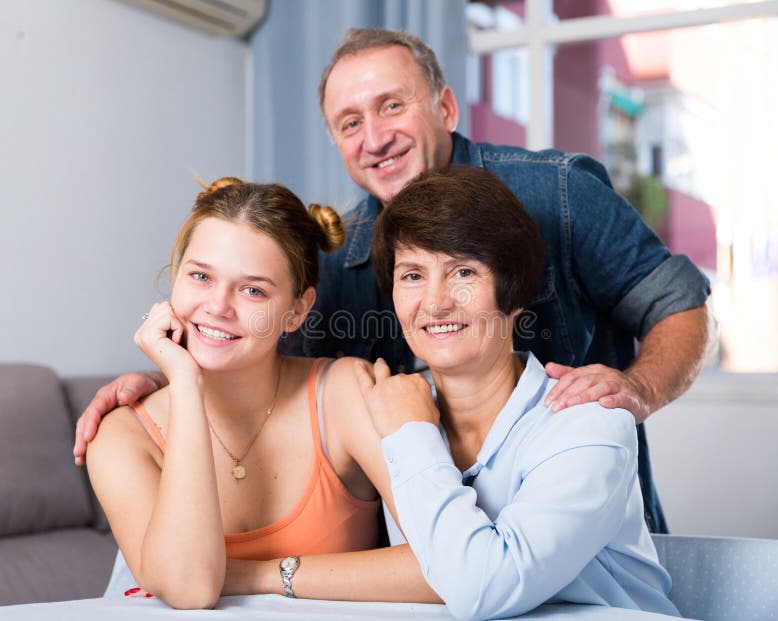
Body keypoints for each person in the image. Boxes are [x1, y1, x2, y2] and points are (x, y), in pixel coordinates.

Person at [74, 28, 713, 533]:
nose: (375, 137)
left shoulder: (559, 193)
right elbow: (268, 370)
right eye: (350, 122)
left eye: (391, 106)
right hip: (422, 536)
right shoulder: (336, 258)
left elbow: (678, 304)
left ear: (445, 107)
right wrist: (170, 377)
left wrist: (636, 388)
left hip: (576, 526)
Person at [243, 166, 680, 619]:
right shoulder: (393, 403)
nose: (434, 302)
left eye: (463, 272)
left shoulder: (587, 424)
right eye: (412, 275)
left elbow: (483, 588)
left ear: (513, 293)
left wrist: (413, 433)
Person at [85, 179, 393, 608]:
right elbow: (190, 589)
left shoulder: (344, 394)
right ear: (176, 278)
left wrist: (258, 575)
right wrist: (185, 385)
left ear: (297, 311)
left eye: (253, 290)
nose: (218, 306)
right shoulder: (120, 436)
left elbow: (444, 569)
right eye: (200, 276)